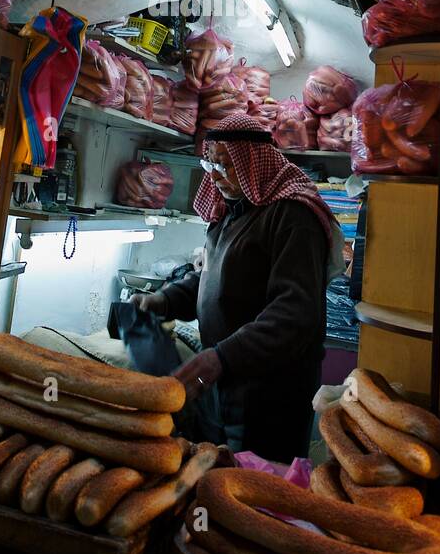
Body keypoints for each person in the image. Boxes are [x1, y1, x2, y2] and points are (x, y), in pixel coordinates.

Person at [132, 112, 341, 463]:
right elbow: (217, 278)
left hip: (270, 393)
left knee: (256, 482)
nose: (214, 176)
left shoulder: (292, 216)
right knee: (218, 473)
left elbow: (294, 313)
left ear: (252, 163)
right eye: (209, 164)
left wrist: (221, 357)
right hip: (226, 381)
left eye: (225, 166)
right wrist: (162, 300)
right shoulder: (232, 210)